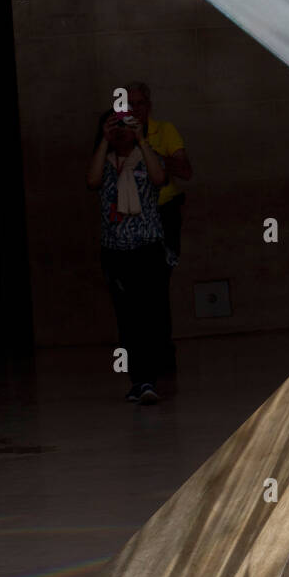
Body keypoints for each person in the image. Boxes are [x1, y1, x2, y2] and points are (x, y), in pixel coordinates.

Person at [87, 107, 170, 403]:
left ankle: (148, 380)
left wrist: (141, 139)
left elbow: (159, 179)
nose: (121, 130)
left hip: (147, 249)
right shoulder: (105, 161)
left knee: (149, 316)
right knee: (127, 318)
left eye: (126, 125)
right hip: (115, 252)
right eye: (114, 126)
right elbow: (92, 182)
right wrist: (104, 141)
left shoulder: (146, 158)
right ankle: (139, 381)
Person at [126, 82, 192, 379]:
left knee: (158, 285)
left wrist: (151, 152)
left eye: (139, 104)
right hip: (132, 218)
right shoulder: (118, 135)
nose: (134, 109)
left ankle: (163, 354)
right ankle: (143, 357)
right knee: (136, 289)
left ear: (148, 106)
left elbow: (186, 170)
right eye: (129, 104)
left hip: (163, 214)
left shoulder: (164, 131)